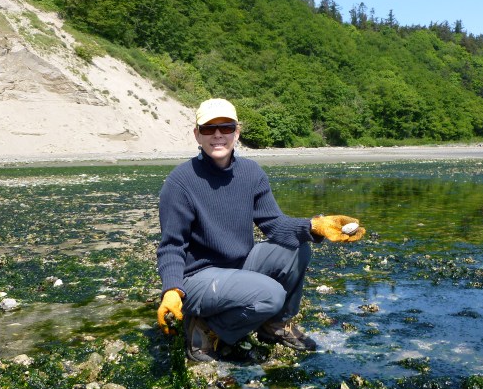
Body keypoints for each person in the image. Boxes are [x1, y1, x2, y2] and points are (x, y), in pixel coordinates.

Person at [156, 98, 365, 362]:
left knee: (297, 246)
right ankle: (206, 330)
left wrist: (315, 226)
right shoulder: (180, 182)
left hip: (238, 266)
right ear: (197, 135)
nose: (218, 134)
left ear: (237, 132)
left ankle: (274, 325)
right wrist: (172, 289)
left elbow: (275, 225)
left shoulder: (251, 173)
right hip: (197, 278)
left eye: (226, 127)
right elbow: (172, 246)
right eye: (208, 129)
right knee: (271, 294)